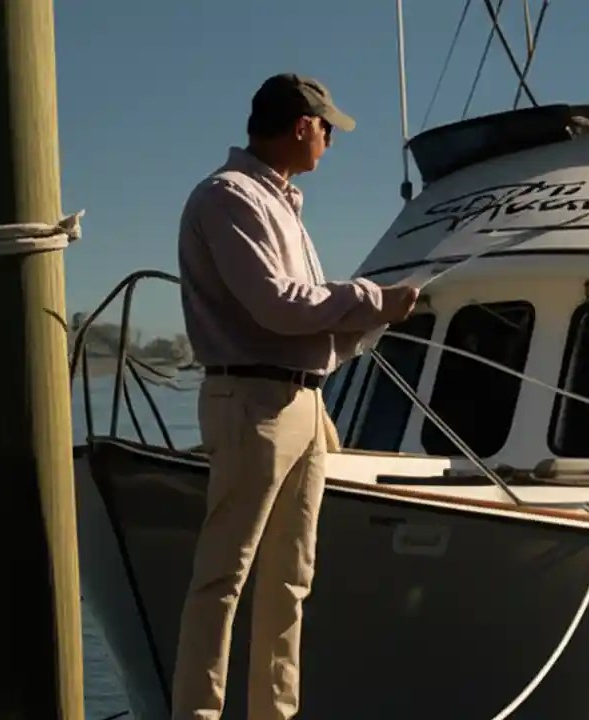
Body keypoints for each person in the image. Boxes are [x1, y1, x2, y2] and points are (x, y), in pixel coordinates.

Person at [170, 73, 418, 719]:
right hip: (253, 401)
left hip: (301, 402)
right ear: (305, 124)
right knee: (224, 578)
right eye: (328, 129)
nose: (330, 142)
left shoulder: (279, 201)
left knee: (289, 579)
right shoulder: (230, 197)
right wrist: (370, 300)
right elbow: (277, 306)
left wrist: (370, 312)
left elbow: (297, 311)